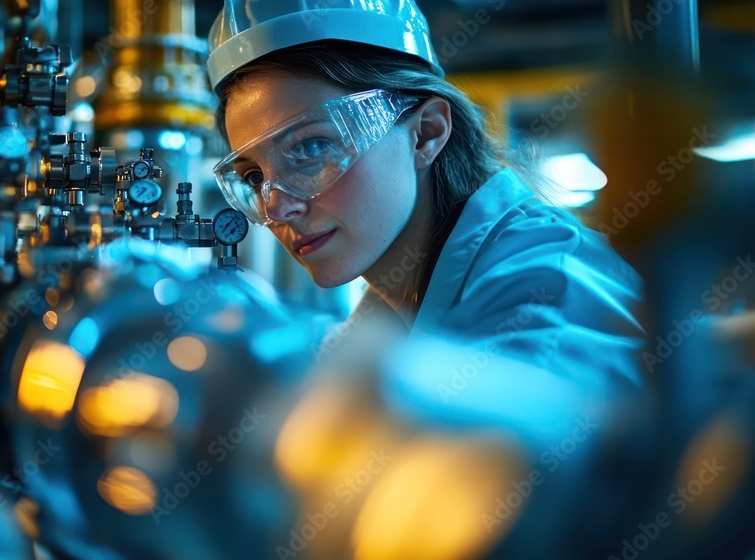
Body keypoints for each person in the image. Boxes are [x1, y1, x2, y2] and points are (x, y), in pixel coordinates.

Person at [206, 0, 646, 393]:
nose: (276, 206)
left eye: (311, 147)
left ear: (426, 134)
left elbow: (507, 457)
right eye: (253, 176)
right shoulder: (395, 308)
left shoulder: (542, 284)